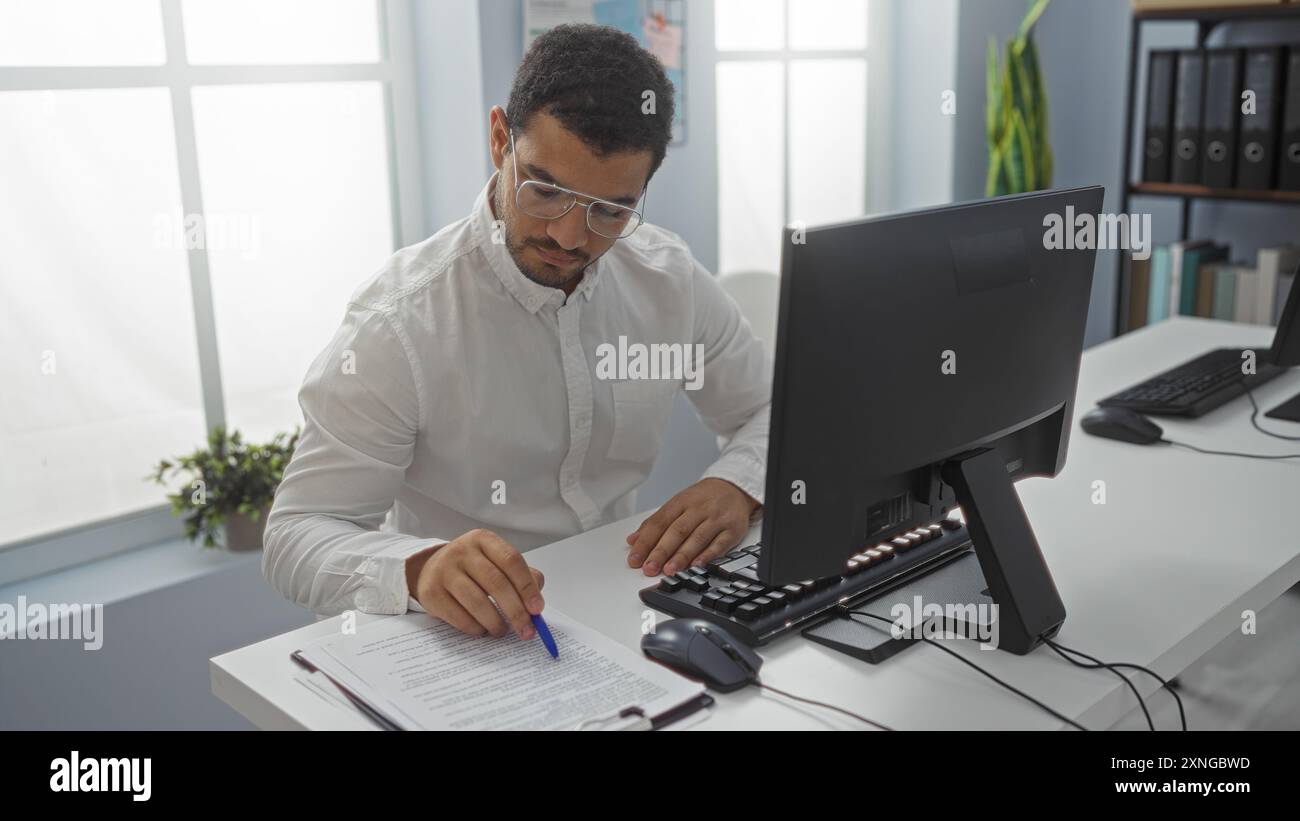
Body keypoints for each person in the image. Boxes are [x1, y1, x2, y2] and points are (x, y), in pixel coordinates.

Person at [264, 24, 771, 642]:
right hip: (465, 636)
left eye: (610, 210)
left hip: (631, 611)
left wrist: (738, 483)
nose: (569, 237)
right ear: (500, 138)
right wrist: (416, 568)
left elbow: (773, 408)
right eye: (546, 189)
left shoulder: (670, 280)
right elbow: (298, 532)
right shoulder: (398, 322)